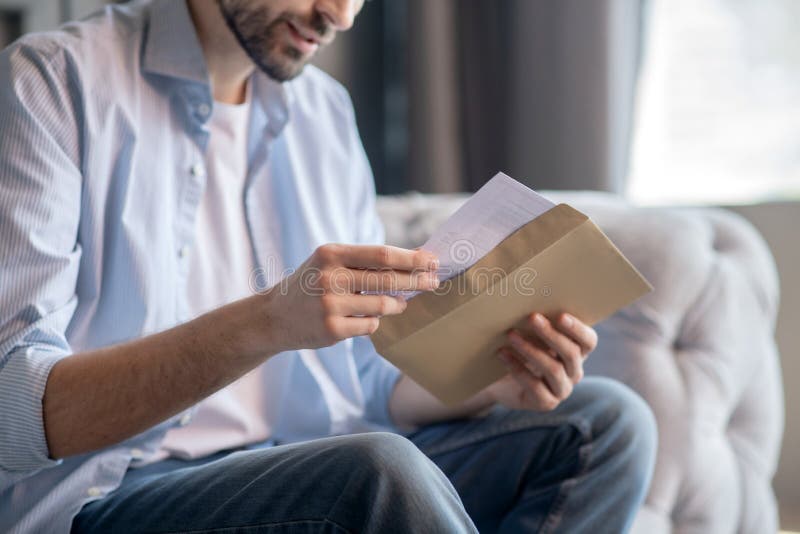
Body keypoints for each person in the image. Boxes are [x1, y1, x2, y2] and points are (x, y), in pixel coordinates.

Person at [0, 1, 657, 532]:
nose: (341, 15)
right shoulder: (52, 83)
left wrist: (497, 379)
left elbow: (367, 388)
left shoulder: (324, 113)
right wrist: (266, 322)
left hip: (327, 459)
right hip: (121, 494)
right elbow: (13, 409)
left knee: (606, 423)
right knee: (375, 471)